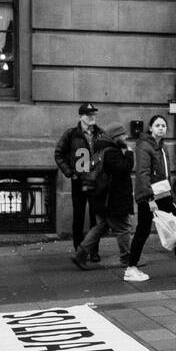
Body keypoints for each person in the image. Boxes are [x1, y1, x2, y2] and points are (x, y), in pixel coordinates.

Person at [127, 114, 176, 282]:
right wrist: (149, 198)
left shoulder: (161, 146)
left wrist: (169, 195)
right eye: (157, 125)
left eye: (163, 125)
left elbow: (164, 174)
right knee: (143, 230)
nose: (161, 128)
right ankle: (131, 268)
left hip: (163, 193)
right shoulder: (145, 146)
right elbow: (143, 174)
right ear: (150, 128)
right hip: (150, 195)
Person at [72, 122, 134, 271]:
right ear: (116, 136)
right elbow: (123, 169)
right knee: (124, 228)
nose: (126, 137)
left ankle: (80, 254)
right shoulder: (111, 152)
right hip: (112, 200)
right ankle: (127, 259)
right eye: (123, 135)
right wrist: (130, 154)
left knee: (100, 226)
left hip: (102, 198)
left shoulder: (102, 150)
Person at [54, 102, 104, 259]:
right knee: (79, 216)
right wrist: (70, 173)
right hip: (79, 181)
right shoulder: (71, 134)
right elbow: (59, 154)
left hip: (96, 182)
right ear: (81, 116)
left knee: (96, 218)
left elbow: (107, 154)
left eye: (93, 114)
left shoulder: (101, 134)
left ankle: (94, 250)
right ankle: (79, 249)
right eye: (88, 114)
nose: (92, 117)